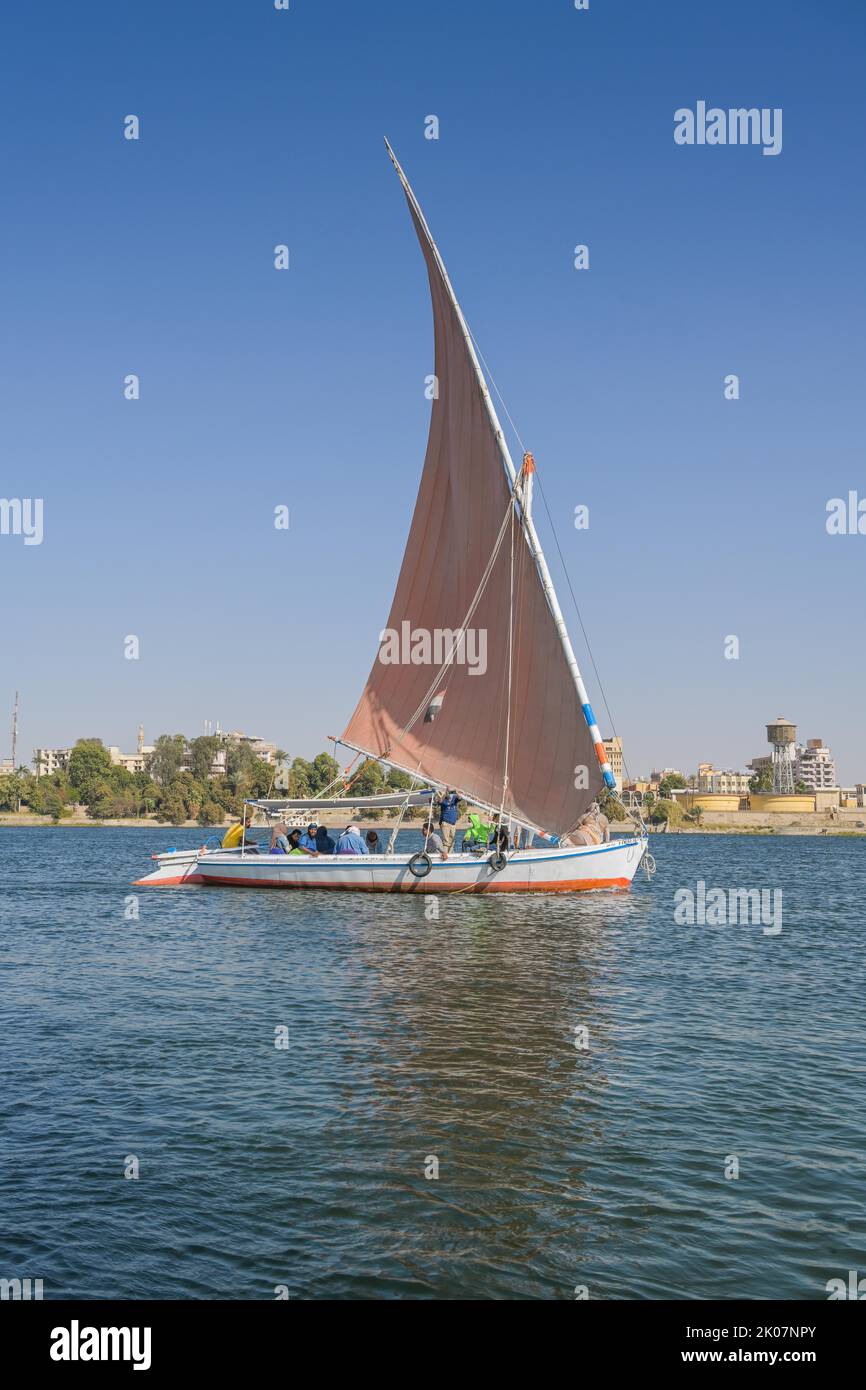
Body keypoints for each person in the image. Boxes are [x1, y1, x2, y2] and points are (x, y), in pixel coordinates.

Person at [437, 788, 460, 852]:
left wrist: (456, 791)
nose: (450, 794)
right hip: (445, 823)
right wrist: (444, 794)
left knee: (452, 841)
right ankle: (445, 854)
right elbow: (440, 802)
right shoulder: (443, 800)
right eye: (449, 792)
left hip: (453, 823)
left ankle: (449, 855)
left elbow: (460, 798)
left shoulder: (454, 799)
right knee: (446, 841)